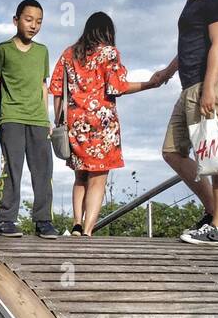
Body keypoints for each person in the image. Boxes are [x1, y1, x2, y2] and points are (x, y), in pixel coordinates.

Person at [148, 0, 218, 245]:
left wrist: (209, 87)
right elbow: (190, 45)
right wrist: (167, 72)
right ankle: (214, 213)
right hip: (190, 86)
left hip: (209, 85)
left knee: (215, 155)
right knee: (172, 150)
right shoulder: (193, 0)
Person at [48, 12, 162, 235]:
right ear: (108, 31)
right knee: (98, 179)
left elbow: (56, 90)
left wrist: (58, 118)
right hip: (102, 125)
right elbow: (118, 87)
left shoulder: (69, 54)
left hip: (75, 123)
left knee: (80, 176)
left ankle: (76, 224)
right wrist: (149, 84)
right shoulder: (109, 53)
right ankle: (88, 230)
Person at [0, 0, 59, 238]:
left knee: (43, 170)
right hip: (11, 118)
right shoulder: (3, 49)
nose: (33, 26)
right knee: (12, 169)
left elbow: (42, 85)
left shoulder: (42, 51)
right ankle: (6, 219)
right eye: (28, 20)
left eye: (39, 22)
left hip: (38, 120)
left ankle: (43, 220)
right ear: (16, 20)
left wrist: (47, 117)